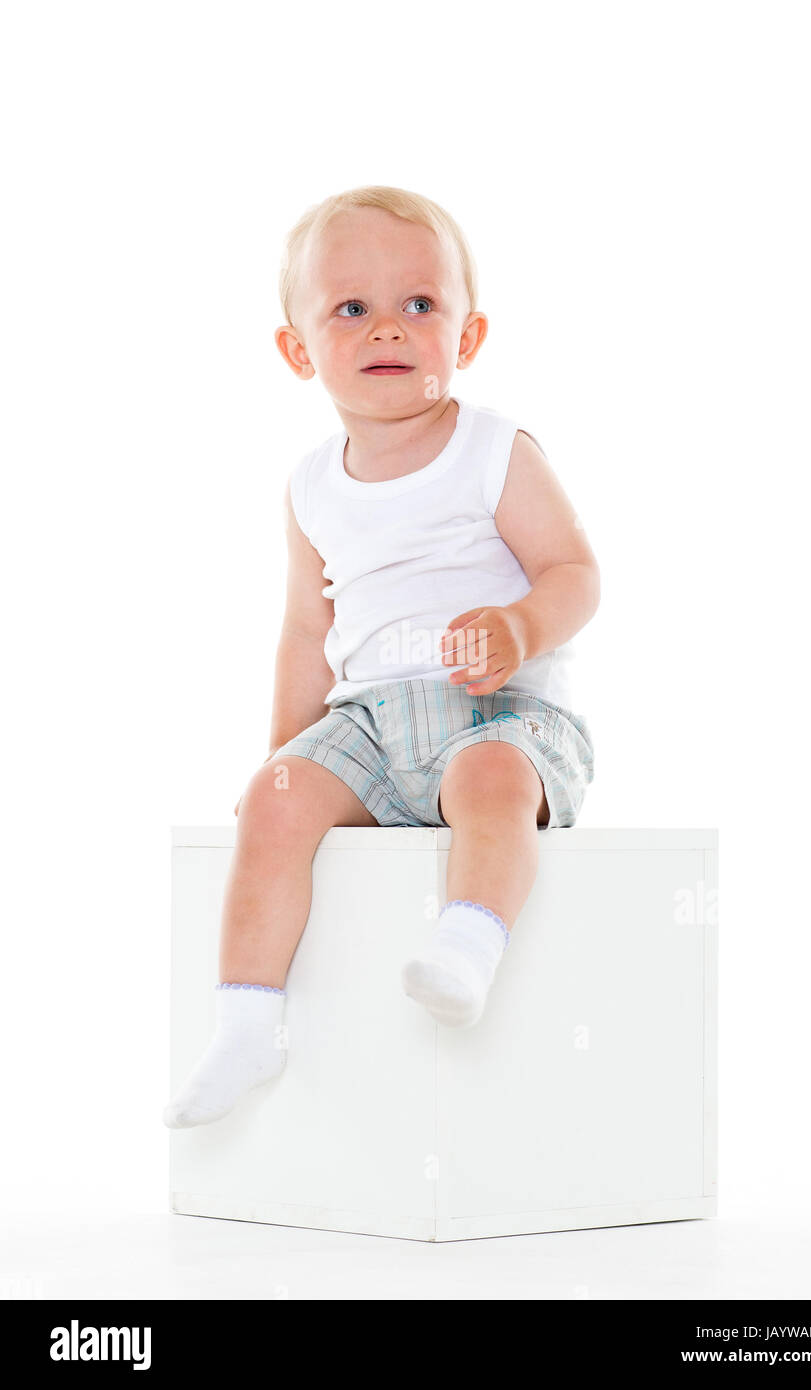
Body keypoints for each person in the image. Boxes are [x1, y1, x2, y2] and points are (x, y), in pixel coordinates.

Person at [163, 184, 600, 1129]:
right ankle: (246, 1023)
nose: (386, 330)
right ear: (299, 349)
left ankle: (468, 942)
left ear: (467, 338)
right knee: (274, 808)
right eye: (351, 309)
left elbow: (575, 571)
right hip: (367, 725)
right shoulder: (312, 485)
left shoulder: (492, 450)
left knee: (489, 779)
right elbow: (303, 633)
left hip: (497, 712)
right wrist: (286, 755)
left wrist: (520, 627)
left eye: (420, 305)